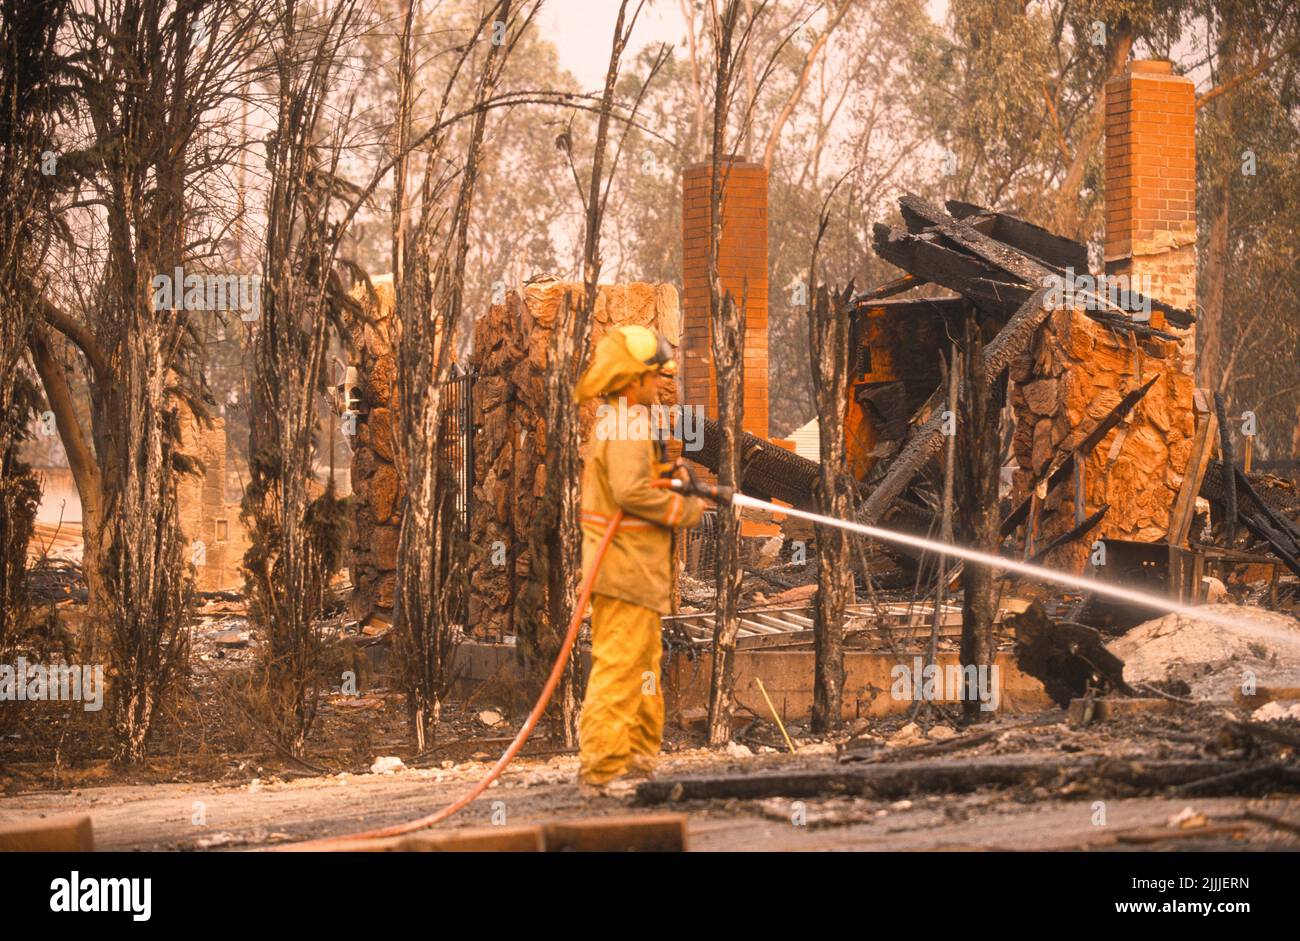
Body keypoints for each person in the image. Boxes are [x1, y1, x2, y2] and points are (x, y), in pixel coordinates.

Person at [573, 325, 703, 795]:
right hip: (623, 570)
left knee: (644, 669)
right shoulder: (625, 425)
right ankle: (603, 770)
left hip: (636, 574)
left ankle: (637, 761)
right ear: (631, 379)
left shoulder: (625, 421)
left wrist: (673, 475)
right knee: (620, 669)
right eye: (653, 376)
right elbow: (630, 492)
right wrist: (686, 509)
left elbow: (639, 481)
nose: (660, 384)